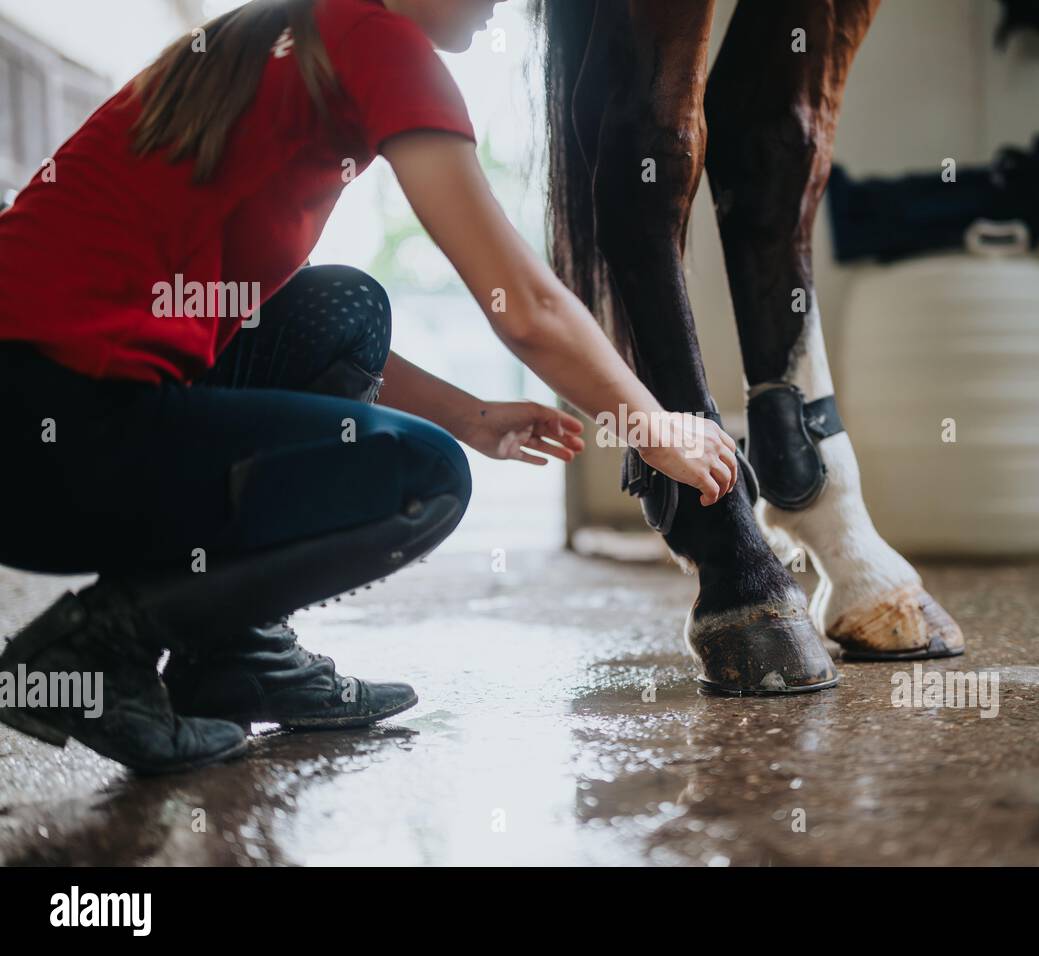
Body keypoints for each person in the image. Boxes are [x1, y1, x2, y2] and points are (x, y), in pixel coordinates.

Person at [0, 0, 740, 775]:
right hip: (56, 435)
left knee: (341, 309)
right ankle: (95, 649)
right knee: (422, 480)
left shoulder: (278, 36)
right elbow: (523, 305)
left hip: (44, 430)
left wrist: (470, 414)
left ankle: (236, 658)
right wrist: (659, 428)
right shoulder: (378, 44)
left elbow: (250, 323)